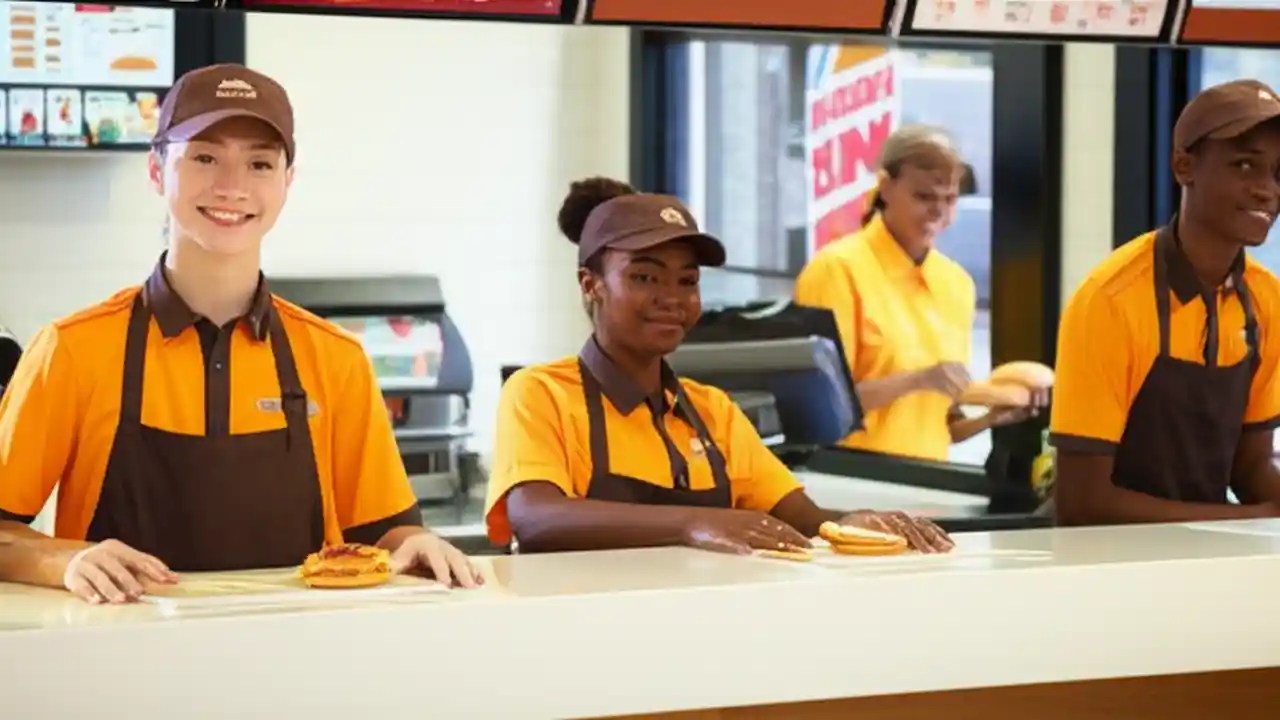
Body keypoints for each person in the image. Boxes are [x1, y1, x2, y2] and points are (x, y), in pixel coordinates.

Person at [0, 63, 480, 604]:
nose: (232, 187)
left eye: (259, 163)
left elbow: (384, 533)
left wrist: (419, 543)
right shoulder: (71, 349)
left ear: (286, 183)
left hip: (298, 661)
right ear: (157, 170)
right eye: (204, 157)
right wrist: (65, 560)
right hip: (121, 667)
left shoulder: (335, 358)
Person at [483, 177, 955, 555]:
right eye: (645, 276)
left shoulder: (712, 412)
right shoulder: (540, 393)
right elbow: (537, 518)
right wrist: (695, 522)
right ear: (591, 285)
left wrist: (855, 523)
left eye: (686, 280)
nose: (671, 298)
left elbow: (805, 520)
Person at [1049, 79, 1280, 525]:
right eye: (1245, 166)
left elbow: (1250, 468)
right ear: (1183, 166)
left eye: (1277, 172)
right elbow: (1082, 502)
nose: (1266, 190)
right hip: (1100, 569)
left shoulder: (1266, 300)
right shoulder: (1110, 299)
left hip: (1202, 559)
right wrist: (1245, 519)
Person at [794, 125, 1045, 462]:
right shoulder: (837, 269)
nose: (938, 211)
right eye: (924, 196)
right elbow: (819, 406)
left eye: (950, 198)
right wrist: (918, 379)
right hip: (848, 475)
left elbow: (944, 426)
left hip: (927, 478)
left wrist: (989, 419)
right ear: (885, 187)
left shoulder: (956, 284)